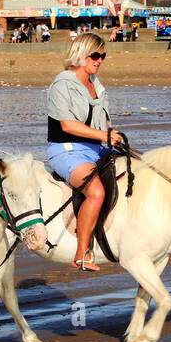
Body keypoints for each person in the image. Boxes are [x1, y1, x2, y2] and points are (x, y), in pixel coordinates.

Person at [46, 32, 124, 271]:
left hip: (97, 149)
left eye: (103, 56)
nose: (99, 60)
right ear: (80, 55)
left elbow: (104, 123)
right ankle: (82, 253)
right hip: (67, 150)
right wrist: (103, 136)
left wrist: (113, 136)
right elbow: (67, 125)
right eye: (95, 55)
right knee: (96, 192)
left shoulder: (97, 87)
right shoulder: (62, 84)